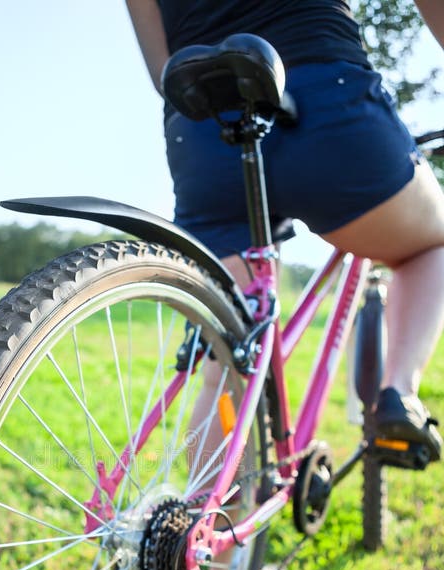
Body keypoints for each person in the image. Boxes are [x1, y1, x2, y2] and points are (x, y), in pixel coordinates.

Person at [125, 0, 444, 461]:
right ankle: (399, 394)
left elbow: (164, 71)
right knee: (431, 242)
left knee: (229, 363)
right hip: (325, 101)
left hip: (203, 127)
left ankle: (206, 505)